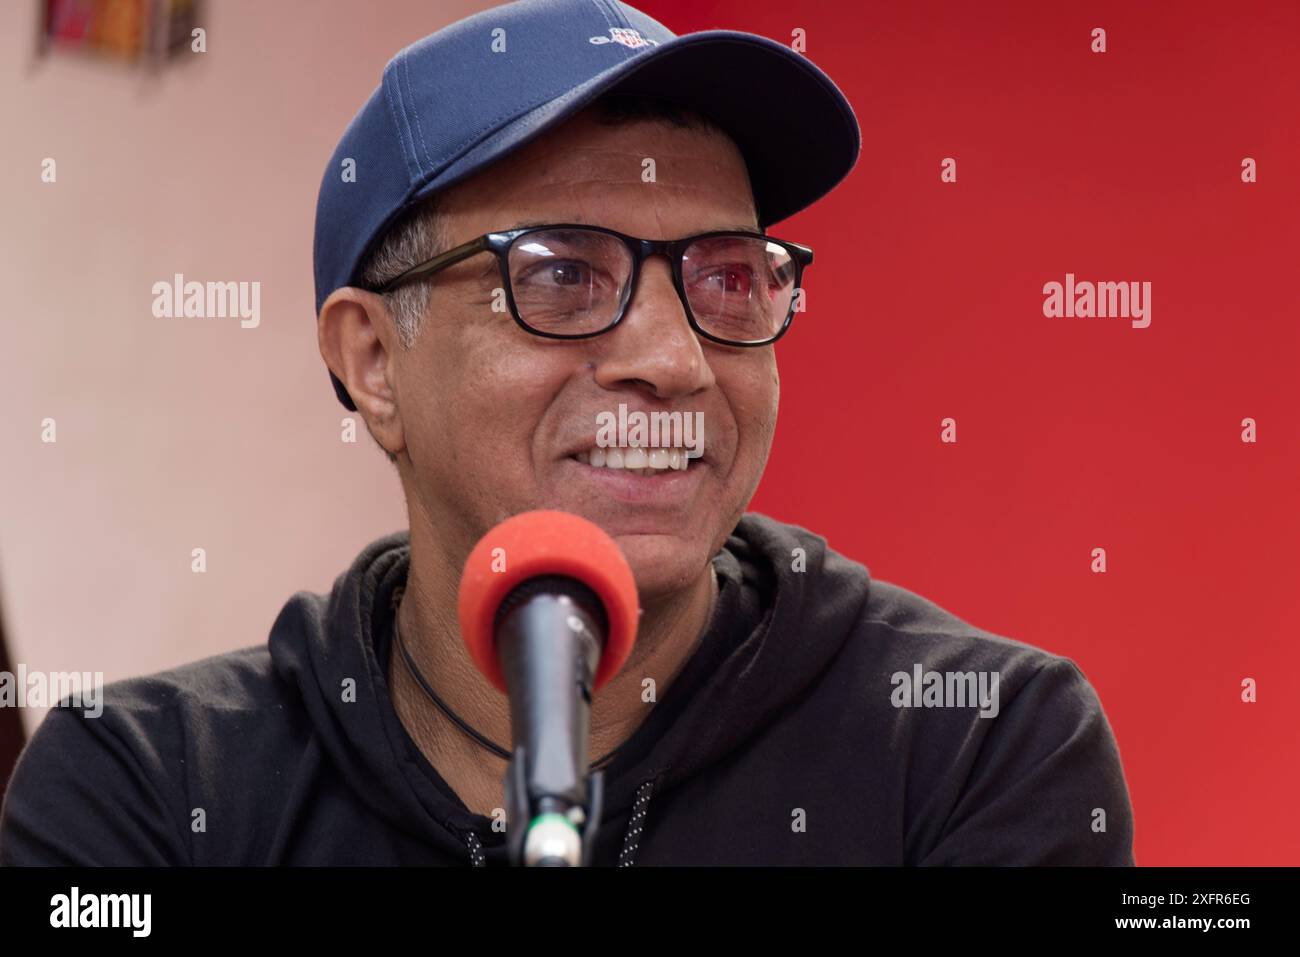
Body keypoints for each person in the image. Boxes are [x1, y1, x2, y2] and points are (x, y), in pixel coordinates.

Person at [0, 0, 1134, 866]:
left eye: (730, 278)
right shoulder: (145, 789)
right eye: (560, 274)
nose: (676, 360)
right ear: (372, 363)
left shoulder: (973, 746)